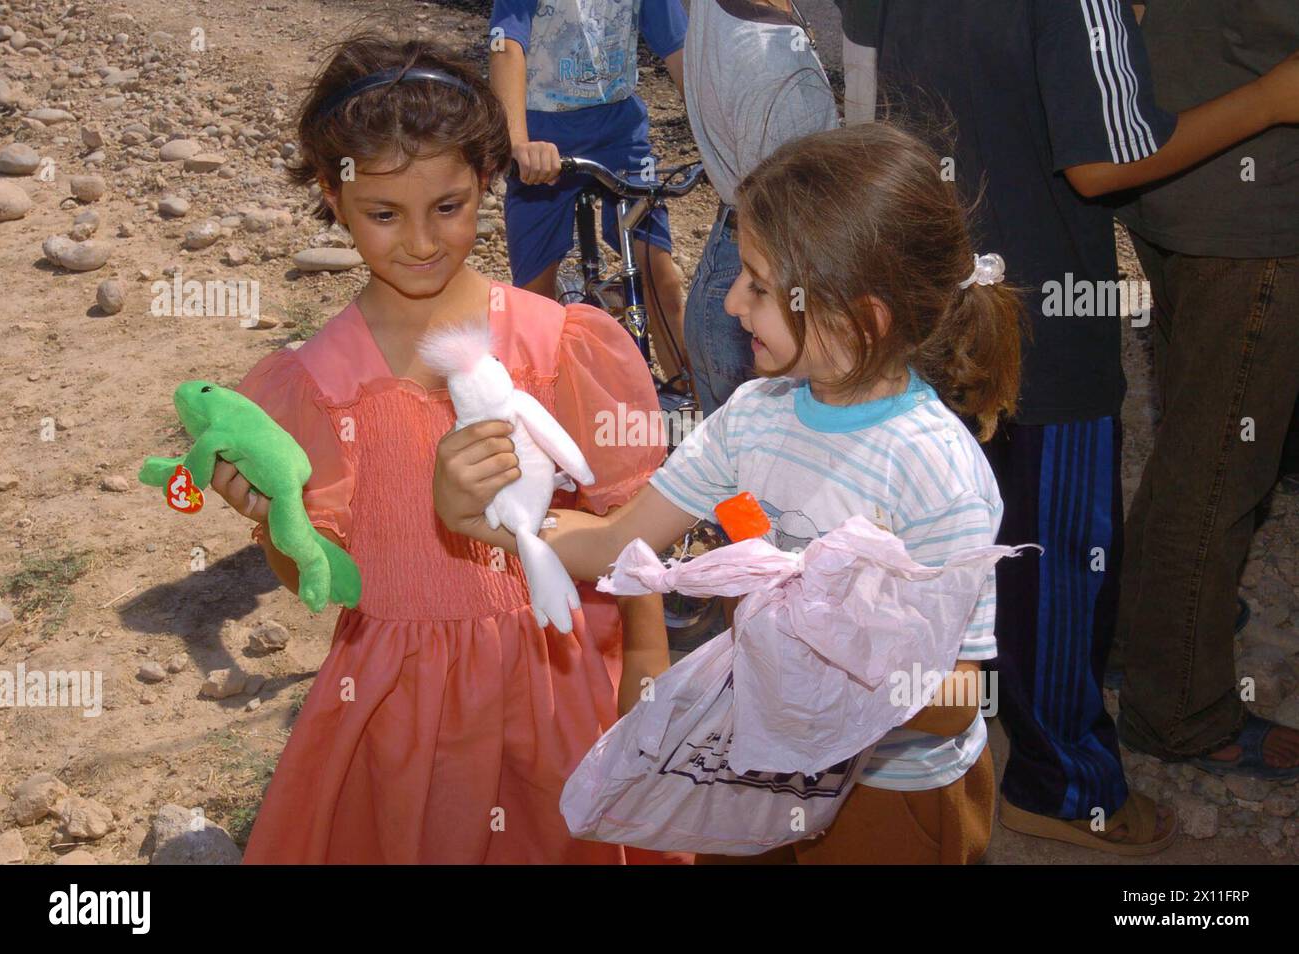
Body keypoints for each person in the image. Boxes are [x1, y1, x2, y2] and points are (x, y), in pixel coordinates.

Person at [436, 122, 1025, 863]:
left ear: (858, 316)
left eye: (758, 285)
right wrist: (498, 524)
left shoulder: (936, 472)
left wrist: (827, 657)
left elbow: (955, 700)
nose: (730, 305)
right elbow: (620, 543)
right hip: (759, 767)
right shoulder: (755, 414)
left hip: (893, 792)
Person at [212, 33, 677, 864]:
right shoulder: (313, 386)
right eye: (385, 214)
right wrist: (275, 529)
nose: (422, 241)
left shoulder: (559, 345)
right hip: (398, 710)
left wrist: (646, 659)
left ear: (487, 184)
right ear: (334, 194)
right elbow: (325, 583)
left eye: (450, 207)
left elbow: (627, 523)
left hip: (557, 684)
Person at [877, 0, 1299, 852]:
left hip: (951, 280)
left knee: (989, 527)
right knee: (1061, 551)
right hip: (1041, 323)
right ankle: (1063, 784)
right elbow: (1107, 160)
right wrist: (1275, 99)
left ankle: (1000, 684)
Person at [1113, 1, 1299, 780]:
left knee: (1197, 441)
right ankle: (1180, 710)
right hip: (1246, 217)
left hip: (1178, 172)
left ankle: (1142, 632)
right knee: (1220, 470)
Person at [488, 0, 692, 389]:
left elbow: (678, 47)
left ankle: (690, 404)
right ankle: (541, 400)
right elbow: (506, 43)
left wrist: (711, 128)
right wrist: (516, 142)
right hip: (543, 136)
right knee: (534, 300)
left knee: (659, 277)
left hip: (619, 131)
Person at [682, 0, 838, 418]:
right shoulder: (778, 69)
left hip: (729, 258)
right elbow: (790, 225)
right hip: (769, 277)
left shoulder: (719, 11)